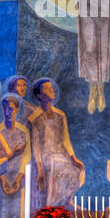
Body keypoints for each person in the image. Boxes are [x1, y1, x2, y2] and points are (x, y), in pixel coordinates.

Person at [27, 78, 85, 211]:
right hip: (45, 157)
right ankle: (51, 206)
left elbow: (66, 140)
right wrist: (40, 170)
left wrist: (73, 158)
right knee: (55, 166)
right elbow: (36, 146)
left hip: (61, 154)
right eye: (46, 89)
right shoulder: (35, 118)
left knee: (77, 169)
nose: (51, 90)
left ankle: (67, 200)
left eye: (51, 87)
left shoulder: (60, 115)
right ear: (39, 96)